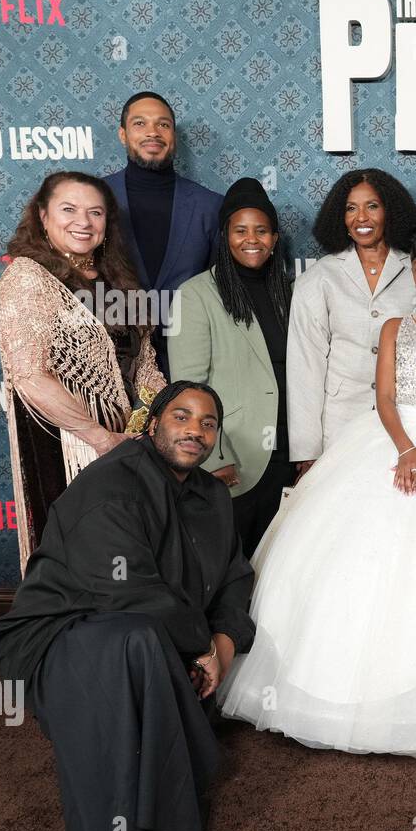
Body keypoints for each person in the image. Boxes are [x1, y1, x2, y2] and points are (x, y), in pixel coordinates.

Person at [217, 214, 416, 760]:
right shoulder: (394, 328)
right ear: (411, 274)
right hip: (389, 441)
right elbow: (384, 398)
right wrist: (405, 450)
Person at [0, 381, 255, 831]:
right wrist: (198, 645)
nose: (194, 431)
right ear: (152, 425)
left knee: (145, 641)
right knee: (135, 641)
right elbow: (126, 589)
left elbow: (236, 578)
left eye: (207, 423)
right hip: (60, 629)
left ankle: (168, 791)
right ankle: (137, 830)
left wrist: (221, 646)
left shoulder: (212, 495)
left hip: (157, 631)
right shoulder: (112, 483)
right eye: (181, 417)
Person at [0, 171, 166, 573]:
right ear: (42, 216)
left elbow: (144, 364)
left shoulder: (119, 280)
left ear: (108, 224)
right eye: (68, 210)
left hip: (126, 441)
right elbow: (29, 376)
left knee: (125, 552)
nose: (83, 222)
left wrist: (162, 417)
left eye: (95, 212)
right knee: (77, 554)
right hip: (65, 442)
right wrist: (99, 438)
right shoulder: (27, 278)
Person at [169, 177, 294, 556]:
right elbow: (189, 388)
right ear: (225, 236)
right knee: (230, 563)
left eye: (261, 230)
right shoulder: (195, 295)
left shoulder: (291, 293)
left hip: (289, 453)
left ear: (274, 238)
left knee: (279, 562)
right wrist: (214, 456)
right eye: (240, 230)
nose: (251, 239)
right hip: (235, 456)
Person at [287, 169, 416, 474]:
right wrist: (307, 451)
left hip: (406, 426)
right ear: (340, 217)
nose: (362, 217)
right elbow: (304, 368)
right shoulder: (319, 278)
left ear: (390, 211)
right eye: (351, 208)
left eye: (372, 206)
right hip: (339, 427)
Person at [103, 91, 224, 378]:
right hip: (113, 360)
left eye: (163, 124)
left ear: (174, 136)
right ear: (123, 134)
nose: (152, 132)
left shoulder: (210, 206)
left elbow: (221, 291)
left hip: (190, 361)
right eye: (140, 124)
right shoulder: (94, 202)